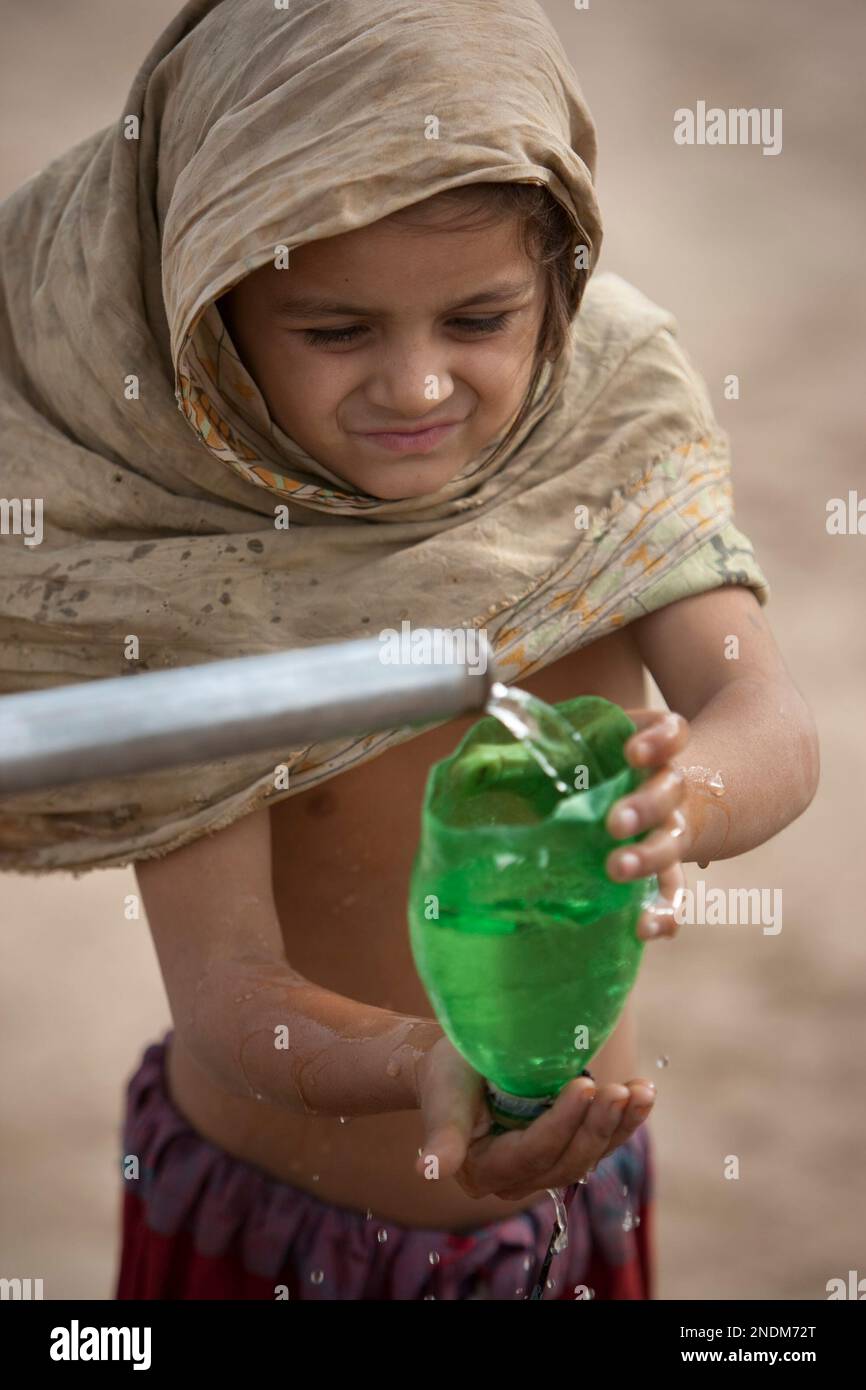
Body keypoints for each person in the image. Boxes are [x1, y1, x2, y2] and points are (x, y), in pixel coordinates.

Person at [0, 0, 818, 1300]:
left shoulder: (596, 439)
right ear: (208, 322)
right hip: (280, 1243)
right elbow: (229, 994)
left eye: (479, 320)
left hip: (580, 1209)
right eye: (335, 331)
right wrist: (419, 1065)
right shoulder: (169, 552)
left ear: (559, 287)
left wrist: (685, 801)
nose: (418, 386)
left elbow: (764, 712)